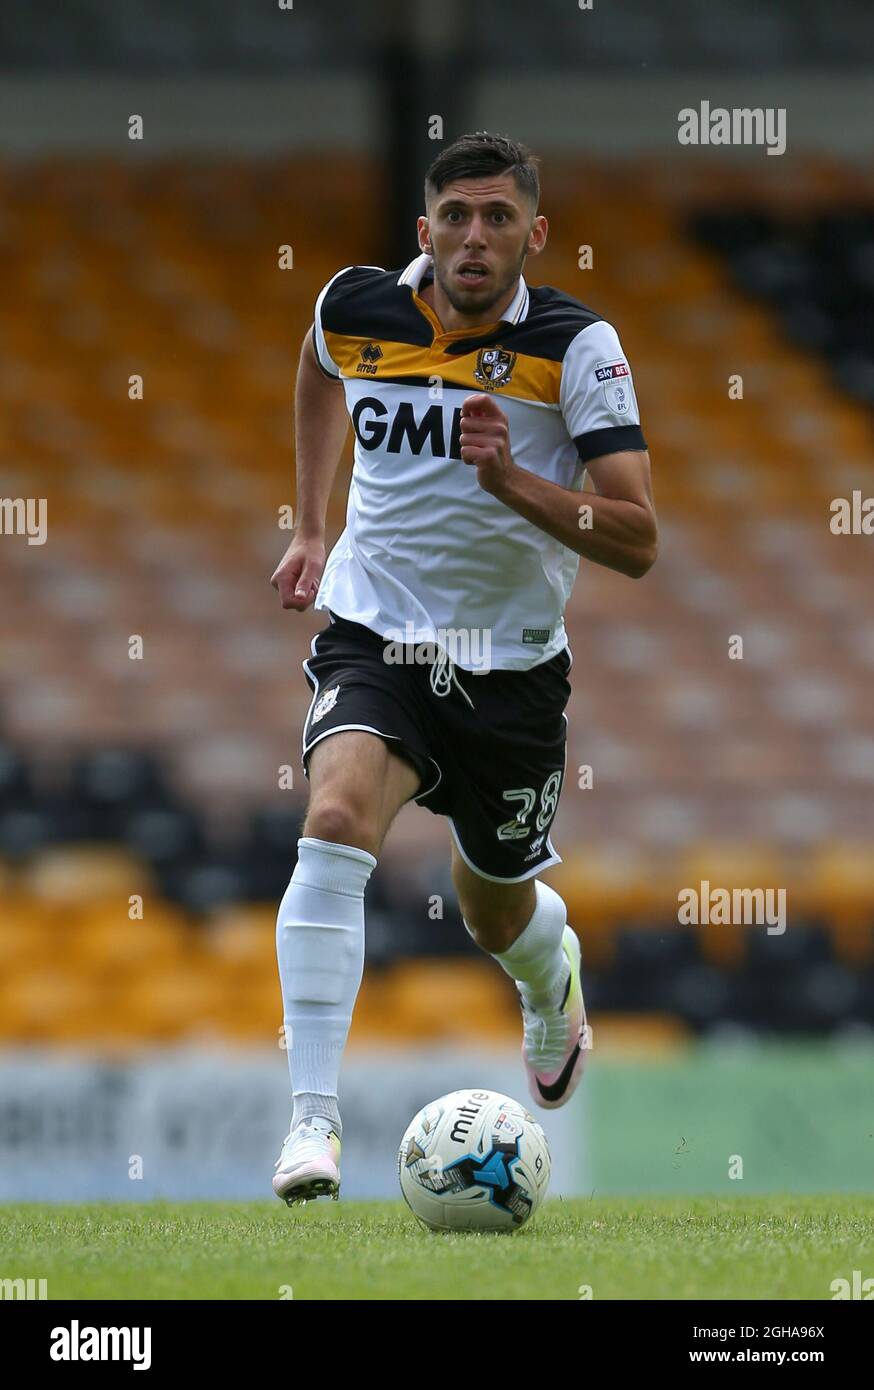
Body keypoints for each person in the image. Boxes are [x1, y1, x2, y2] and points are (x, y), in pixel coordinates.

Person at [269, 131, 658, 1205]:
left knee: (491, 907)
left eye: (497, 219)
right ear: (424, 229)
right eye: (456, 216)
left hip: (511, 672)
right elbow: (315, 359)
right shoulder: (358, 307)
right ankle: (311, 1126)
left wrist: (516, 487)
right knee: (337, 818)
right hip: (376, 635)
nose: (474, 238)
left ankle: (549, 973)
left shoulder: (577, 349)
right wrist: (312, 522)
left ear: (534, 234)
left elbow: (636, 537)